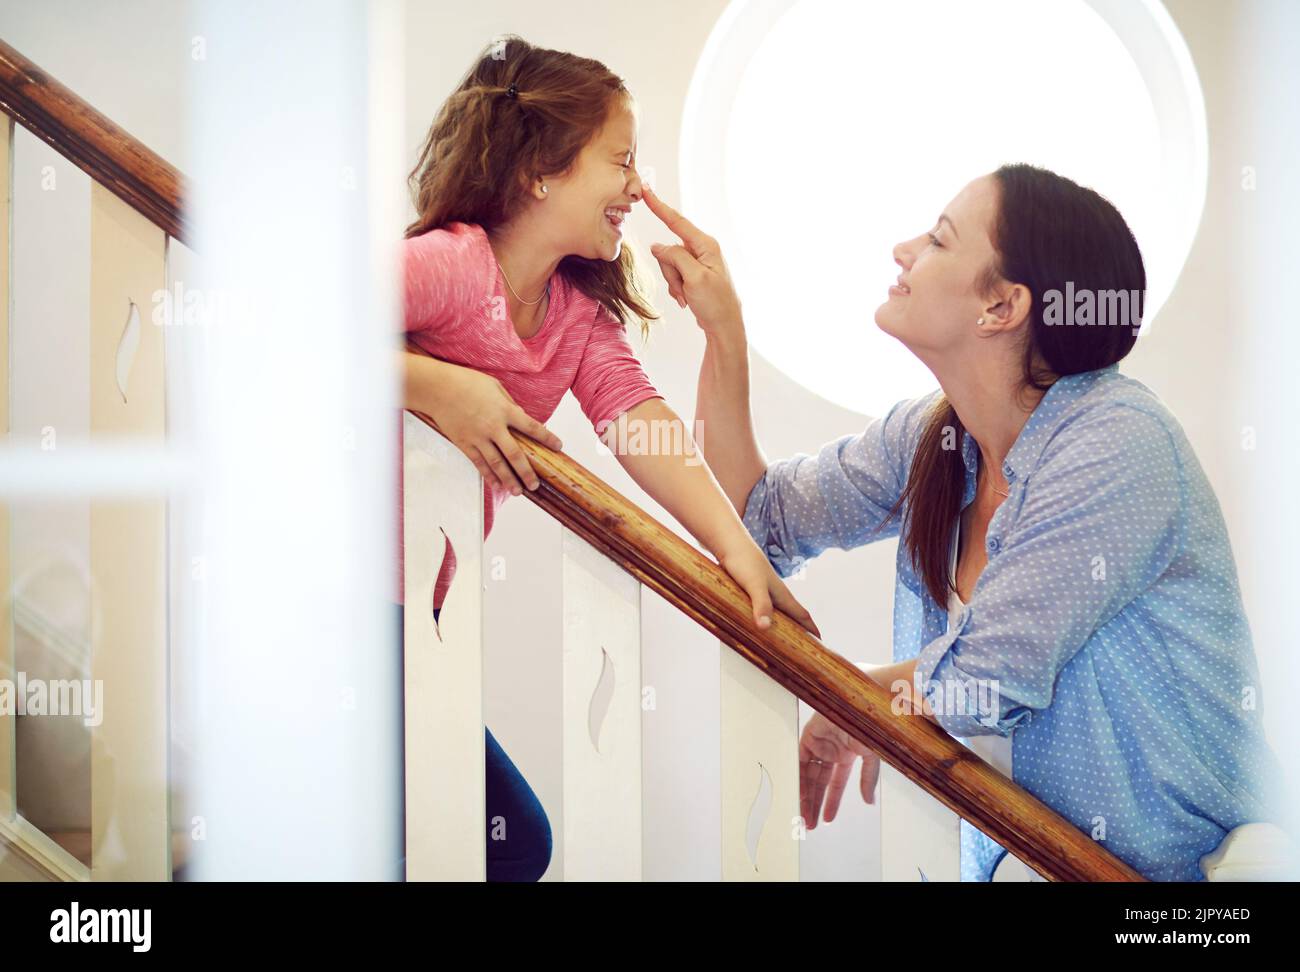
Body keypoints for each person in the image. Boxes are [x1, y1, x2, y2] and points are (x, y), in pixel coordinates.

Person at [644, 164, 1286, 881]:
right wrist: (722, 325)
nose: (903, 249)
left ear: (1001, 306)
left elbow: (990, 677)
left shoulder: (1119, 441)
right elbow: (759, 515)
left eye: (939, 241)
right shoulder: (934, 436)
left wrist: (854, 701)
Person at [396, 36, 817, 881]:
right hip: (337, 604)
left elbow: (641, 422)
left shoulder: (574, 320)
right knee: (467, 840)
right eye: (621, 161)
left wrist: (737, 552)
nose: (638, 187)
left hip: (418, 616)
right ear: (540, 173)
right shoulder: (449, 265)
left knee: (507, 845)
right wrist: (435, 384)